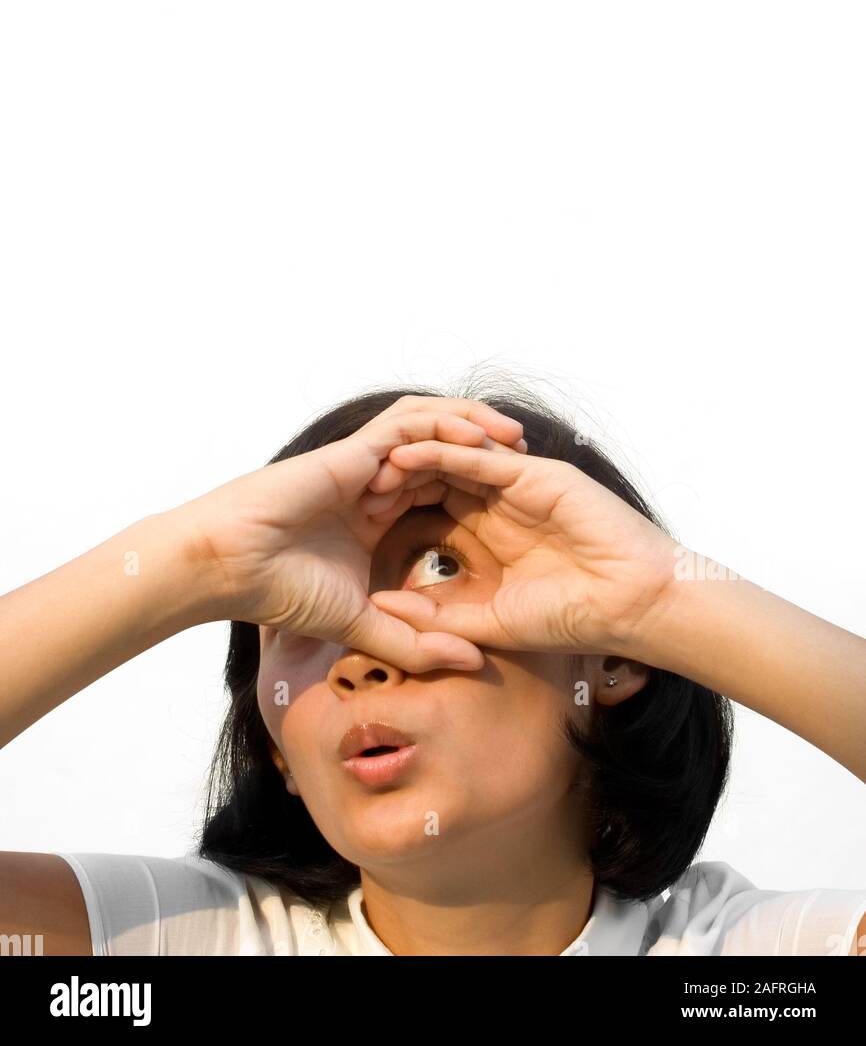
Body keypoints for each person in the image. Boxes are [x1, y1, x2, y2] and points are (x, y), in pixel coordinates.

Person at [2, 382, 865, 956]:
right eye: (295, 618)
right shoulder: (174, 943)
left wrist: (661, 601)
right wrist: (191, 559)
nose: (362, 657)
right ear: (275, 751)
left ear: (609, 659)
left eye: (439, 567)